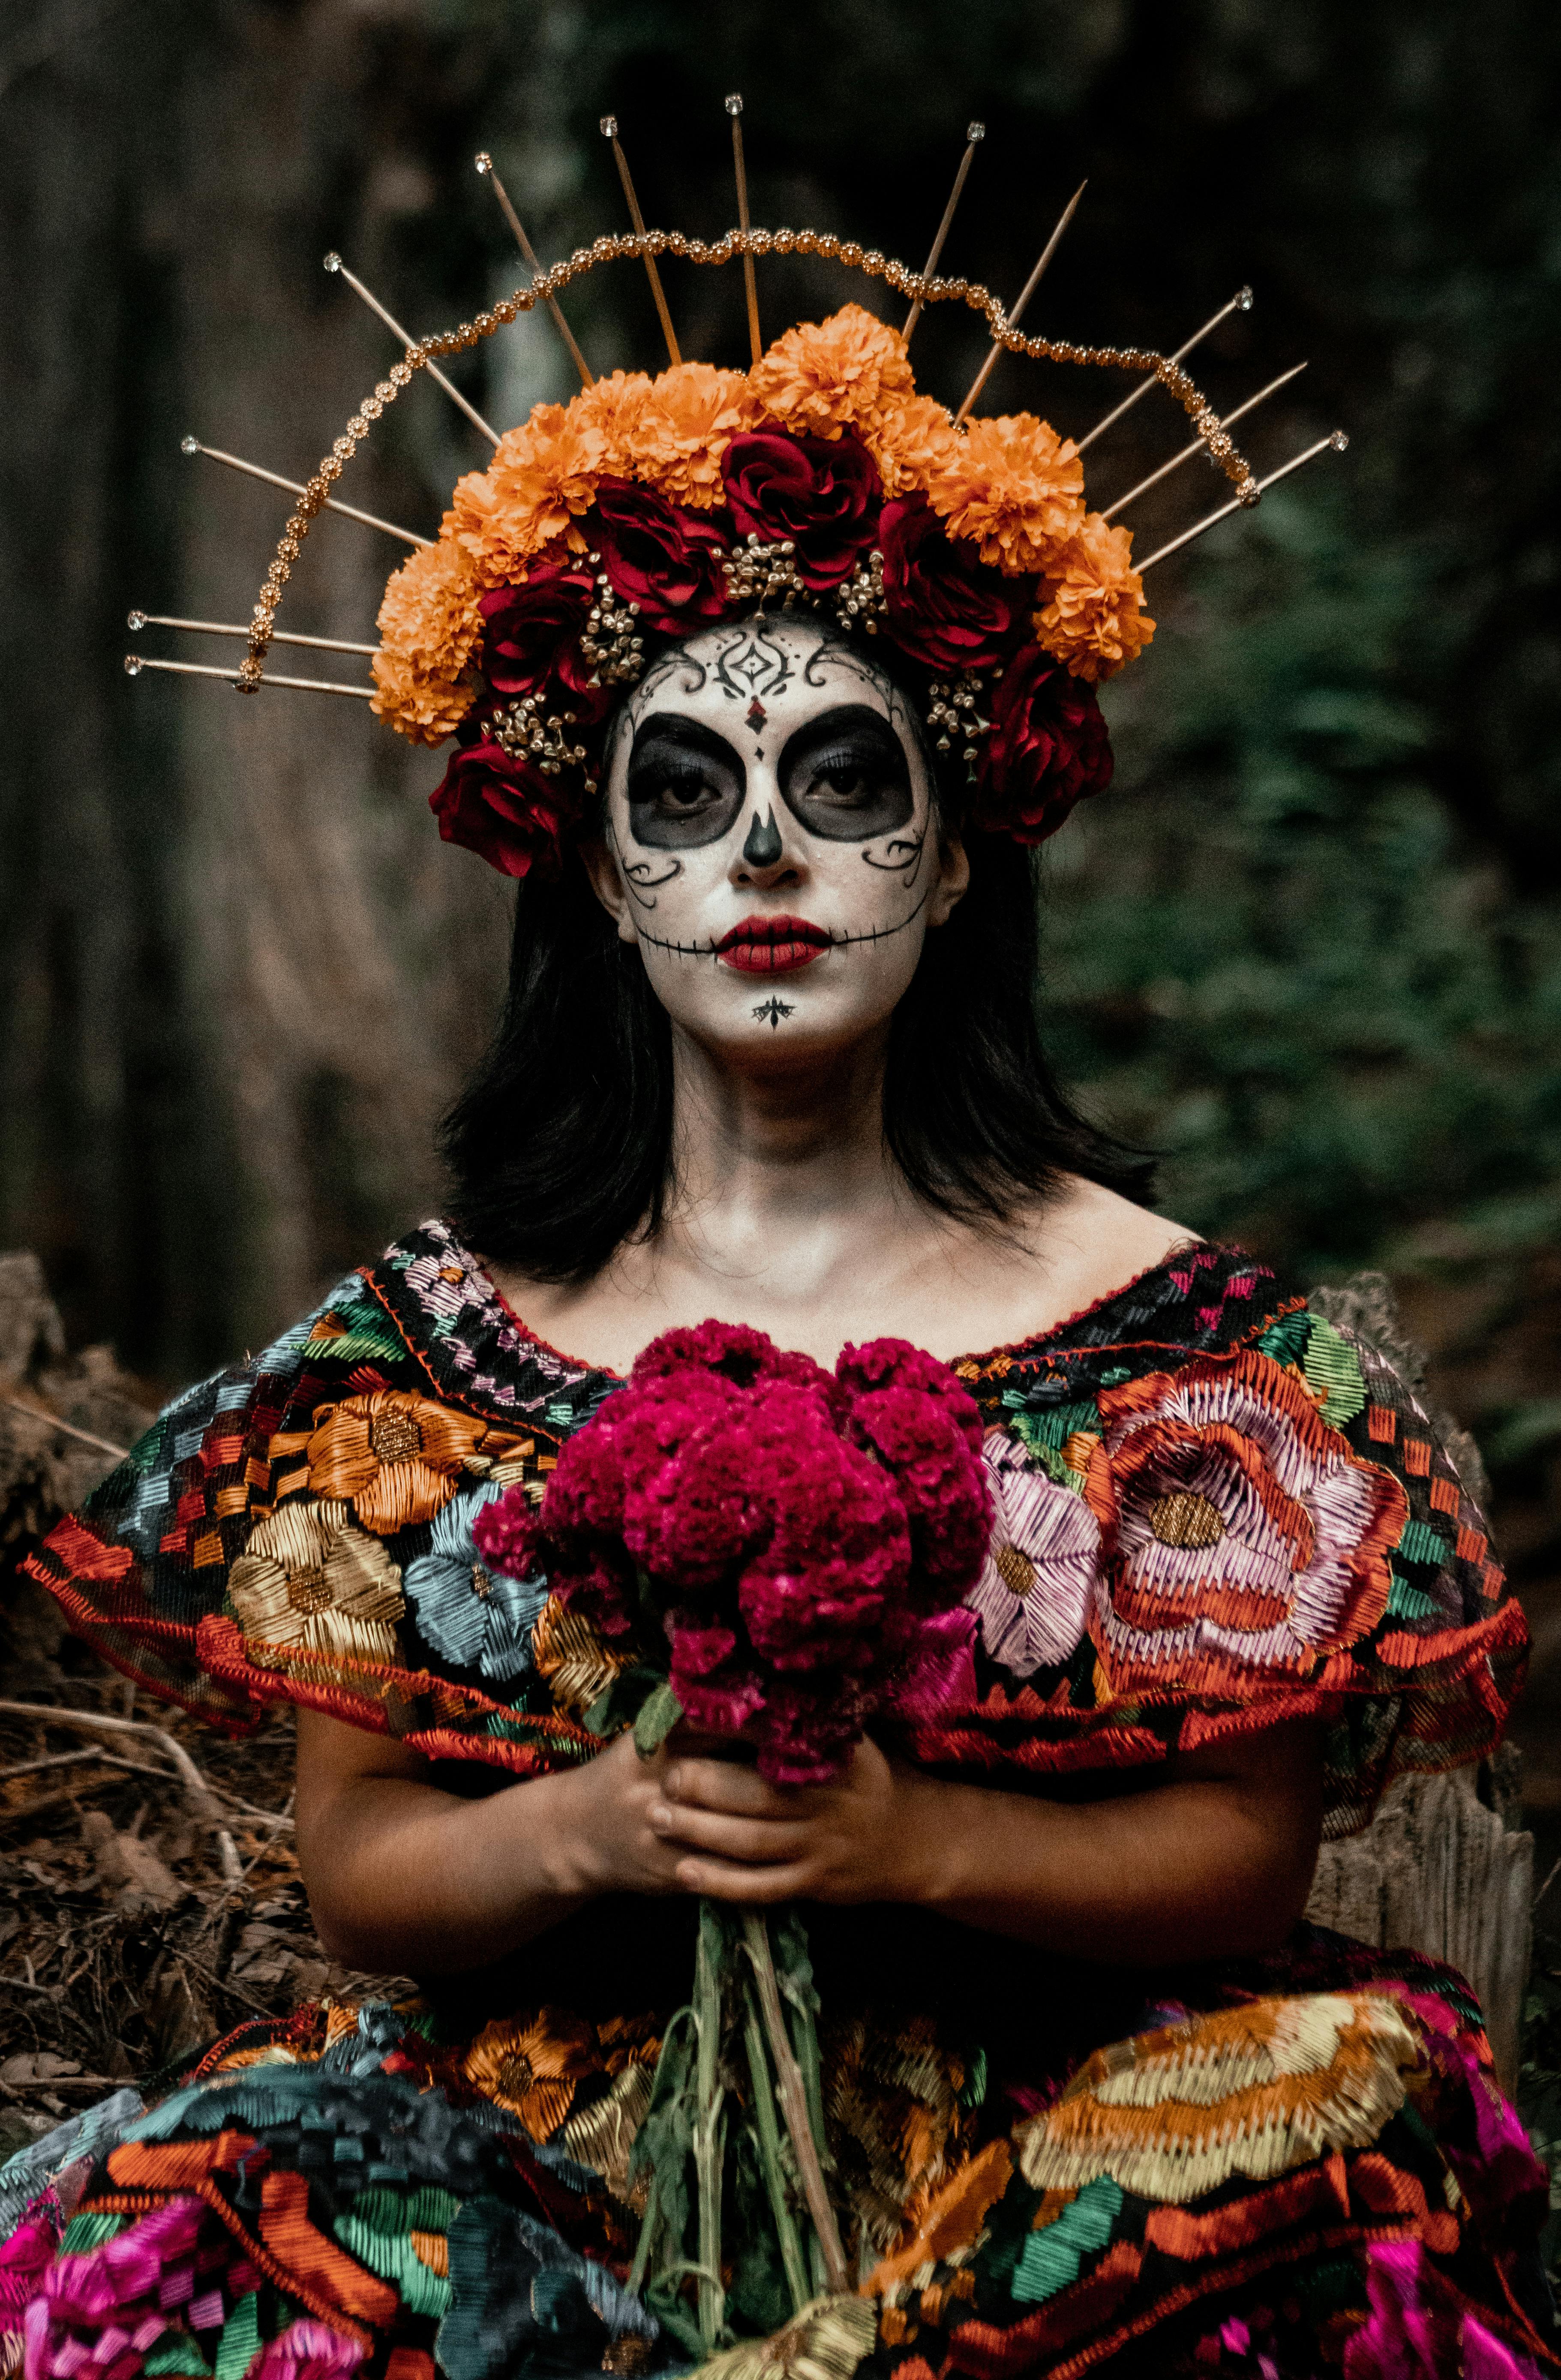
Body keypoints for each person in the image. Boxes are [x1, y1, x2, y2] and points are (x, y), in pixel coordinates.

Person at [3, 288, 1550, 2380]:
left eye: (838, 778)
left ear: (955, 843)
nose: (761, 853)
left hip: (1060, 2126)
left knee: (1321, 2117)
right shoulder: (429, 1352)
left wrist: (916, 1842)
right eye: (684, 791)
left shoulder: (1178, 1349)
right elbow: (359, 1861)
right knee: (219, 2208)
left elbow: (1242, 1848)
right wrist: (589, 1828)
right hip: (541, 2166)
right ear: (600, 874)